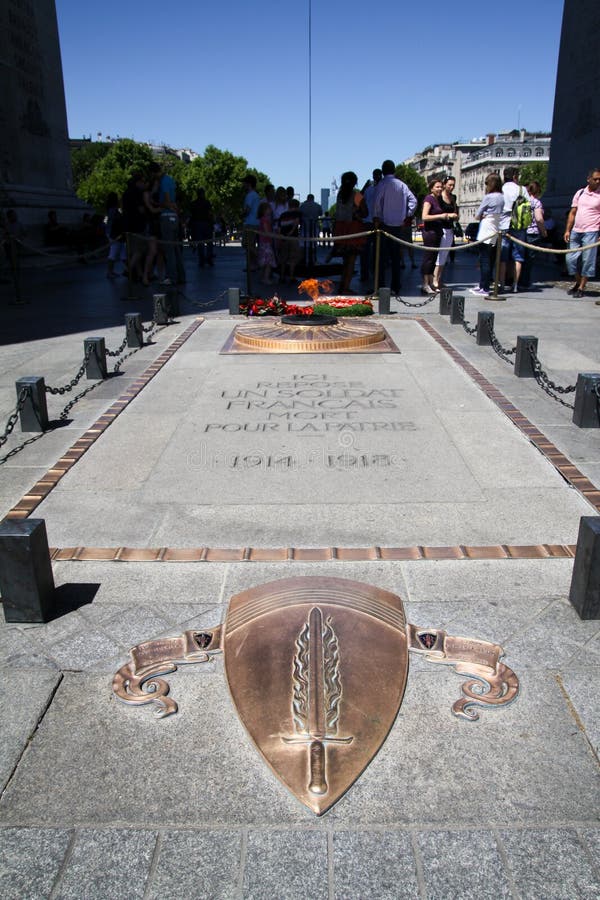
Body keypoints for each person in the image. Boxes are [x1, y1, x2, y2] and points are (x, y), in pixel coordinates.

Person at [373, 159, 417, 296]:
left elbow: (377, 202)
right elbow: (414, 201)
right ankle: (396, 285)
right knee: (396, 257)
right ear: (394, 170)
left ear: (383, 170)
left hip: (385, 224)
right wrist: (406, 214)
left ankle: (381, 285)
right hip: (399, 224)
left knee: (381, 257)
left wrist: (377, 216)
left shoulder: (382, 184)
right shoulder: (402, 185)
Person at [564, 168, 600, 298]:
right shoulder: (580, 193)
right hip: (576, 230)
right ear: (588, 179)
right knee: (570, 259)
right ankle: (578, 281)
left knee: (588, 261)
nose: (597, 181)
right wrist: (568, 229)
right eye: (595, 179)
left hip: (592, 230)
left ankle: (581, 286)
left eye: (599, 179)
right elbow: (572, 213)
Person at [149, 161, 184, 285]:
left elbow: (167, 201)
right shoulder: (170, 179)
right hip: (174, 217)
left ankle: (172, 278)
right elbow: (174, 200)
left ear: (153, 173)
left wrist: (157, 203)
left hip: (167, 216)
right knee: (176, 249)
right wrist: (176, 209)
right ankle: (181, 276)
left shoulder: (163, 182)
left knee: (169, 250)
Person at [333, 171, 368, 294]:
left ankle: (342, 285)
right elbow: (365, 212)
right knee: (351, 260)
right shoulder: (357, 195)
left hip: (340, 229)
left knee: (345, 260)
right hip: (353, 228)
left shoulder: (340, 195)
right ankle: (346, 287)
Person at [420, 177, 456, 294]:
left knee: (434, 258)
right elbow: (424, 216)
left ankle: (431, 282)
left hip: (437, 232)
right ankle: (425, 283)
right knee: (429, 258)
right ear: (431, 188)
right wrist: (440, 216)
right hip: (430, 232)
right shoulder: (429, 199)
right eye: (437, 187)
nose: (440, 189)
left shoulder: (437, 199)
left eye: (441, 187)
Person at [471, 173, 504, 295]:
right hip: (495, 228)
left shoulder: (488, 197)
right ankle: (483, 285)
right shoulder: (502, 197)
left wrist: (482, 215)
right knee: (490, 259)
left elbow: (477, 215)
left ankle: (484, 287)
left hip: (486, 227)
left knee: (484, 259)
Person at [500, 166, 530, 293]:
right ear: (515, 177)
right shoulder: (521, 189)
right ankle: (515, 284)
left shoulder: (500, 189)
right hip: (519, 225)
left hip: (503, 224)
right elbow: (529, 205)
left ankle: (501, 283)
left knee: (502, 256)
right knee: (518, 256)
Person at [520, 181, 548, 288]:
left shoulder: (523, 201)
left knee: (520, 258)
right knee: (529, 260)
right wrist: (544, 231)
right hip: (533, 233)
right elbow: (539, 218)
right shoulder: (536, 202)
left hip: (522, 232)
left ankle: (516, 280)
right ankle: (525, 282)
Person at [434, 176, 459, 289]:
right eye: (449, 185)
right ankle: (435, 279)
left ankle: (439, 279)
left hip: (450, 228)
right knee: (440, 255)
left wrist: (455, 216)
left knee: (445, 256)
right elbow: (437, 212)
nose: (451, 187)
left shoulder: (453, 197)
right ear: (444, 184)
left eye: (453, 185)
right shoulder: (439, 198)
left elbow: (455, 210)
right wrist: (448, 215)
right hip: (441, 228)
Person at [360, 168, 382, 283]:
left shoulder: (368, 189)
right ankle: (376, 274)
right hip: (378, 222)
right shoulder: (382, 189)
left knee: (366, 251)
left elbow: (358, 199)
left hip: (368, 222)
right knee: (377, 251)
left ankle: (365, 274)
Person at [278, 199, 303, 283]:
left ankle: (282, 276)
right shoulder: (297, 214)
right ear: (297, 206)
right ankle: (292, 276)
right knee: (293, 257)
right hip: (293, 237)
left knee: (283, 258)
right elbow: (296, 224)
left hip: (283, 238)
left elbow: (279, 227)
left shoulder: (282, 215)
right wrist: (291, 232)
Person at [188, 188, 215, 267]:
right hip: (206, 224)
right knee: (209, 242)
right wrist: (212, 223)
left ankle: (202, 259)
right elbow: (210, 213)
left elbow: (191, 215)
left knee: (200, 243)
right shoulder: (207, 203)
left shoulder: (193, 203)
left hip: (197, 224)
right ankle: (209, 258)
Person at [300, 193, 323, 266]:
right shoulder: (317, 206)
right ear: (313, 198)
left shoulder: (302, 206)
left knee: (304, 244)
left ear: (307, 198)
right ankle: (313, 259)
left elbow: (300, 214)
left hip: (304, 227)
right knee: (313, 244)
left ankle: (304, 259)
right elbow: (320, 213)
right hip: (314, 226)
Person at [257, 201, 276, 284]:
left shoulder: (264, 219)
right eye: (268, 209)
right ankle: (266, 278)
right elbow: (266, 231)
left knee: (264, 261)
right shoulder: (265, 220)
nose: (270, 210)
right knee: (268, 261)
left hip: (264, 242)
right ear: (264, 210)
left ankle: (262, 277)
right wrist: (274, 235)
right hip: (266, 243)